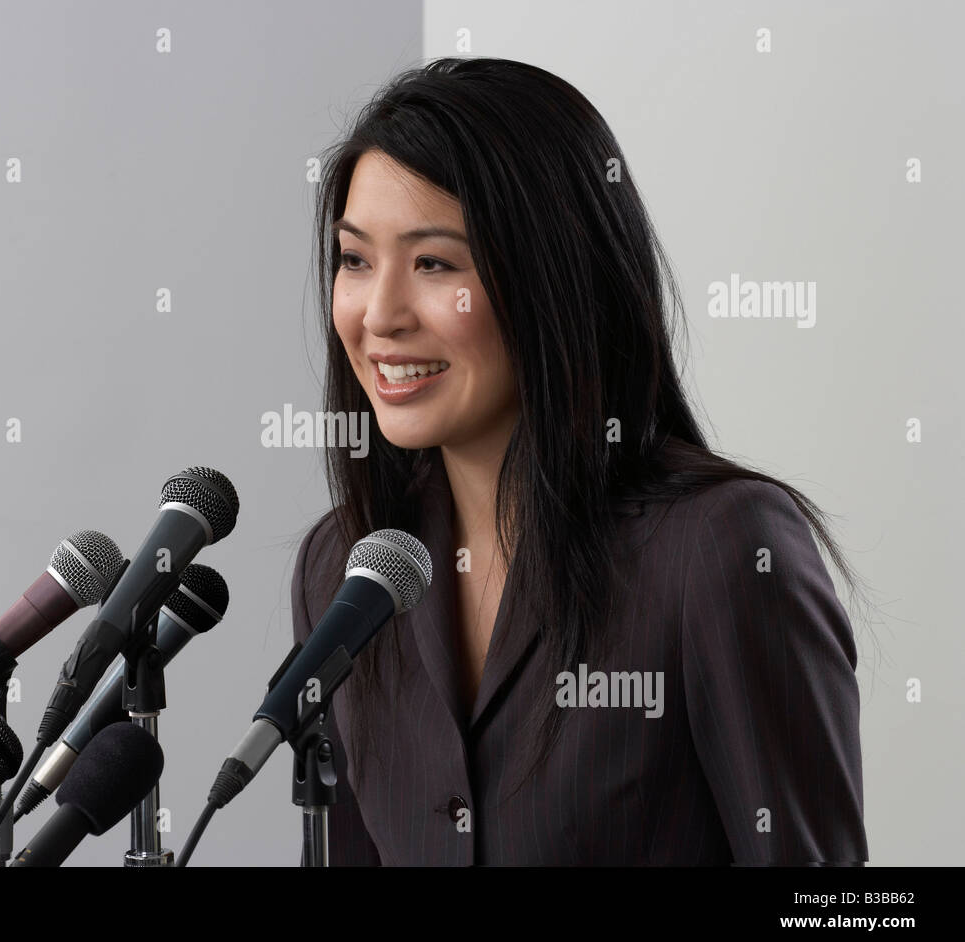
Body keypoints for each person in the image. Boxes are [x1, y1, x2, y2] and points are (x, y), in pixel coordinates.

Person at [290, 57, 871, 865]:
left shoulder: (722, 549)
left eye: (435, 263)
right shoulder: (346, 571)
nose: (377, 313)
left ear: (554, 274)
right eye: (354, 260)